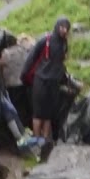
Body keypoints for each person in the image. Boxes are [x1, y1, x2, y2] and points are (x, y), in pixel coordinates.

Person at [22, 17, 73, 149]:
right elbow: (31, 58)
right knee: (38, 113)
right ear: (57, 27)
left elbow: (60, 63)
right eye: (61, 27)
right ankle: (36, 141)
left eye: (66, 28)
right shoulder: (46, 40)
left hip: (54, 82)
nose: (64, 30)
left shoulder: (64, 43)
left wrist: (66, 79)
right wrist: (24, 75)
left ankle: (45, 142)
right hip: (41, 80)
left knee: (49, 113)